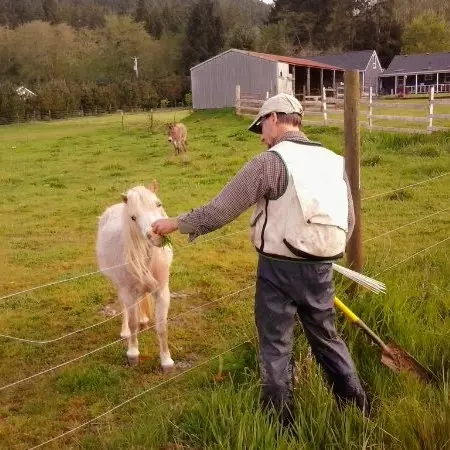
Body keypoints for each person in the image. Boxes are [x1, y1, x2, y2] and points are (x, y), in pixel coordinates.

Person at [152, 93, 369, 425]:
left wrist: (177, 223)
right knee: (327, 339)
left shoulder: (270, 163)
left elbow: (220, 210)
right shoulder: (333, 161)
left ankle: (280, 427)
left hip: (278, 272)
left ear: (274, 119)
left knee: (276, 347)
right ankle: (357, 411)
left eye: (262, 130)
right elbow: (349, 222)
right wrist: (319, 256)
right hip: (321, 269)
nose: (263, 139)